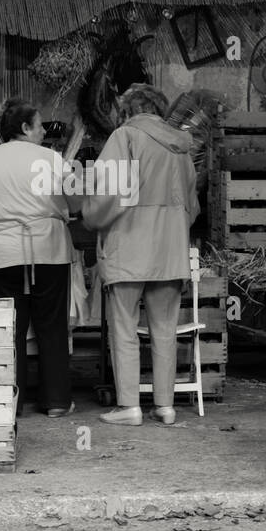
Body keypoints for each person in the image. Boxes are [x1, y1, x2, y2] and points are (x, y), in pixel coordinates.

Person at [84, 84, 199, 426]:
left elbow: (108, 192)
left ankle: (129, 406)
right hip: (171, 250)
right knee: (165, 329)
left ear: (128, 110)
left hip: (129, 248)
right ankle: (165, 406)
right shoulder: (181, 146)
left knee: (124, 328)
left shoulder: (125, 137)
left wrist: (90, 217)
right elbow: (192, 206)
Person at [0, 99, 78, 416]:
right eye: (39, 126)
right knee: (52, 328)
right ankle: (56, 402)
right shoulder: (52, 159)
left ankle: (12, 403)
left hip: (2, 256)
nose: (43, 132)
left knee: (10, 330)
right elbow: (77, 202)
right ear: (24, 127)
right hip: (49, 253)